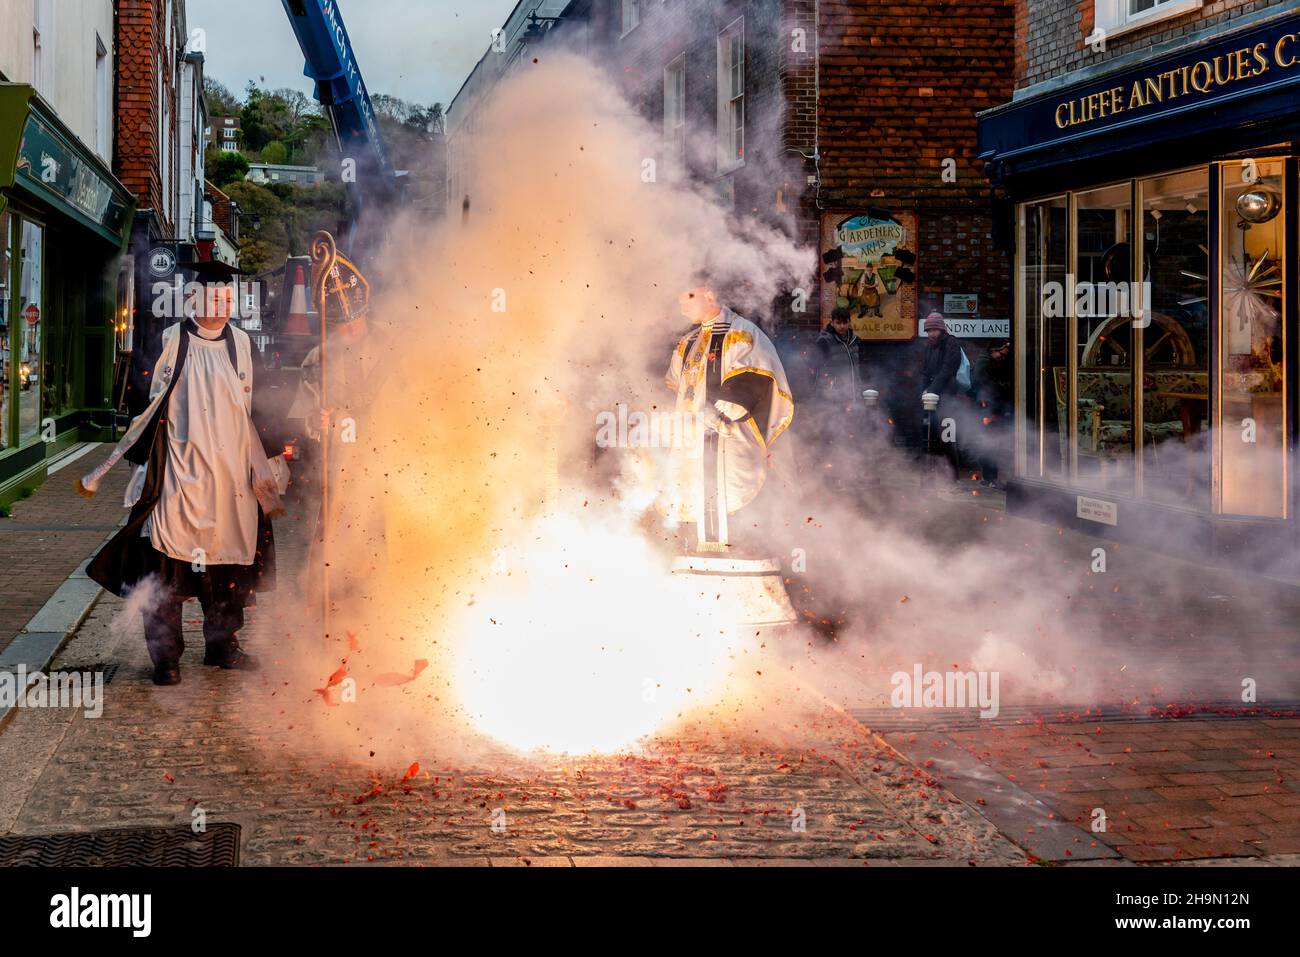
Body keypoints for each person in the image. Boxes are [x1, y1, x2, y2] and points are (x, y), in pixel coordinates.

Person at [77, 285, 285, 685]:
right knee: (165, 569)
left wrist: (273, 459)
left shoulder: (243, 345)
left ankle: (223, 645)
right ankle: (166, 657)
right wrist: (144, 464)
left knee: (227, 565)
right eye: (213, 299)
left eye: (227, 300)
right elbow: (143, 400)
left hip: (231, 480)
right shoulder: (169, 341)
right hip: (178, 472)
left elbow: (263, 405)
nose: (221, 307)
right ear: (193, 301)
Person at [664, 283, 794, 552]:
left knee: (727, 495)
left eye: (688, 297)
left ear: (709, 295)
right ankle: (698, 550)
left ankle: (741, 550)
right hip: (691, 439)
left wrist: (721, 411)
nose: (682, 307)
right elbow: (677, 387)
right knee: (692, 492)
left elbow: (754, 375)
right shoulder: (687, 343)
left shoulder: (741, 334)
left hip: (726, 438)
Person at [809, 307, 866, 489]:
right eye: (838, 322)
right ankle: (830, 477)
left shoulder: (855, 341)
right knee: (832, 436)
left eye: (845, 322)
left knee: (851, 436)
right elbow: (813, 369)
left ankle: (850, 473)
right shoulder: (824, 342)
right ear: (832, 322)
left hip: (852, 396)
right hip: (831, 399)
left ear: (849, 322)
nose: (842, 326)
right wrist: (824, 391)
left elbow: (859, 368)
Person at [918, 313, 966, 482]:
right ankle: (932, 474)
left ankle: (952, 477)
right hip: (931, 398)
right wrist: (923, 391)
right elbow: (925, 371)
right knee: (930, 435)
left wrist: (931, 390)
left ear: (941, 329)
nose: (931, 333)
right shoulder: (929, 346)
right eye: (929, 330)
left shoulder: (951, 343)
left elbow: (947, 370)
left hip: (947, 396)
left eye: (935, 329)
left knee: (947, 436)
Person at [974, 340, 1012, 488]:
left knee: (990, 442)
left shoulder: (988, 362)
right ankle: (991, 477)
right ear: (993, 350)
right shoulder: (984, 364)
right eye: (1001, 354)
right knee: (991, 442)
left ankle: (989, 477)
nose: (1002, 357)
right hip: (988, 407)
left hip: (988, 407)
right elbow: (990, 387)